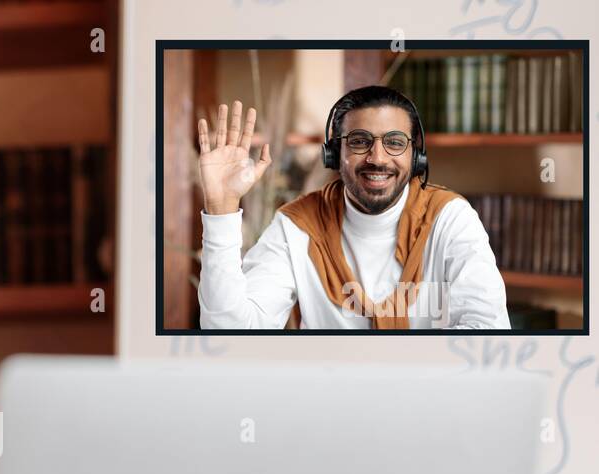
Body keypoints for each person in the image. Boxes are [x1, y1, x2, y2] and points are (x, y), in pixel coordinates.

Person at [196, 86, 510, 330]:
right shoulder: (296, 226)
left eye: (395, 142)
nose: (378, 158)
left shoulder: (451, 219)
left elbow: (488, 336)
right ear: (334, 154)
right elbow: (232, 334)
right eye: (359, 141)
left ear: (416, 157)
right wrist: (221, 209)